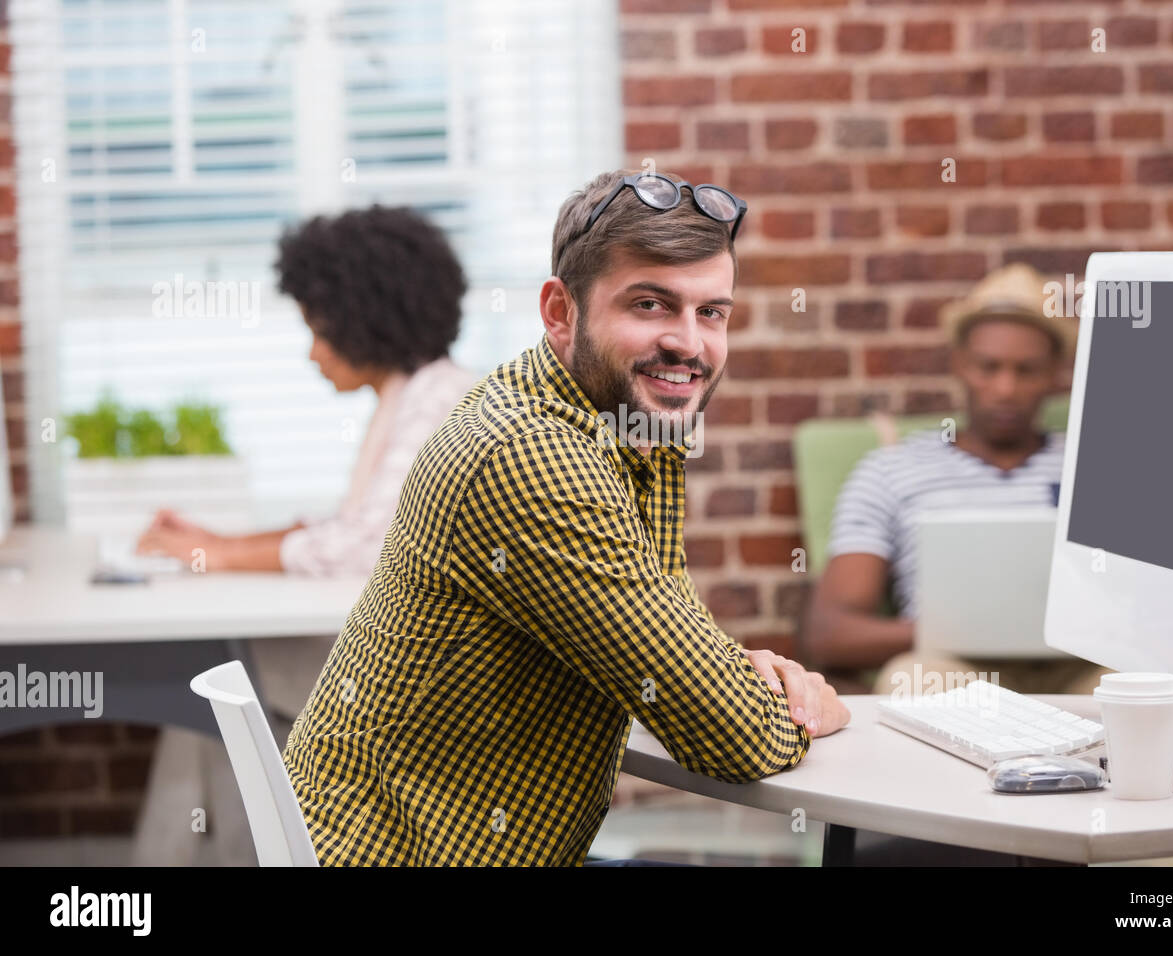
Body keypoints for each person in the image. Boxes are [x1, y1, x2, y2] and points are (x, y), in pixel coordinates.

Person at [281, 169, 851, 866]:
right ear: (560, 312)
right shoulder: (534, 458)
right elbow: (730, 733)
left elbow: (669, 646)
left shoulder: (604, 422)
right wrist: (812, 703)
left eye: (712, 313)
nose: (689, 344)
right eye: (650, 305)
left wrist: (725, 677)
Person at [132, 206, 479, 865]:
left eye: (317, 330)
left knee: (209, 686)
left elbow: (357, 549)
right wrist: (219, 540)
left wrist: (221, 555)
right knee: (213, 690)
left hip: (417, 689)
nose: (312, 351)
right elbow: (352, 527)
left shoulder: (440, 401)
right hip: (389, 663)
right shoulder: (413, 395)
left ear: (362, 316)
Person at [805, 263, 1109, 697]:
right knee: (910, 682)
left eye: (1026, 370)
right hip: (953, 666)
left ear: (1055, 374)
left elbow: (1150, 611)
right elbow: (830, 633)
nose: (1005, 388)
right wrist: (966, 630)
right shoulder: (891, 469)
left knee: (1161, 690)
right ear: (960, 365)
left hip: (1079, 668)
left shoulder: (1097, 467)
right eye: (988, 367)